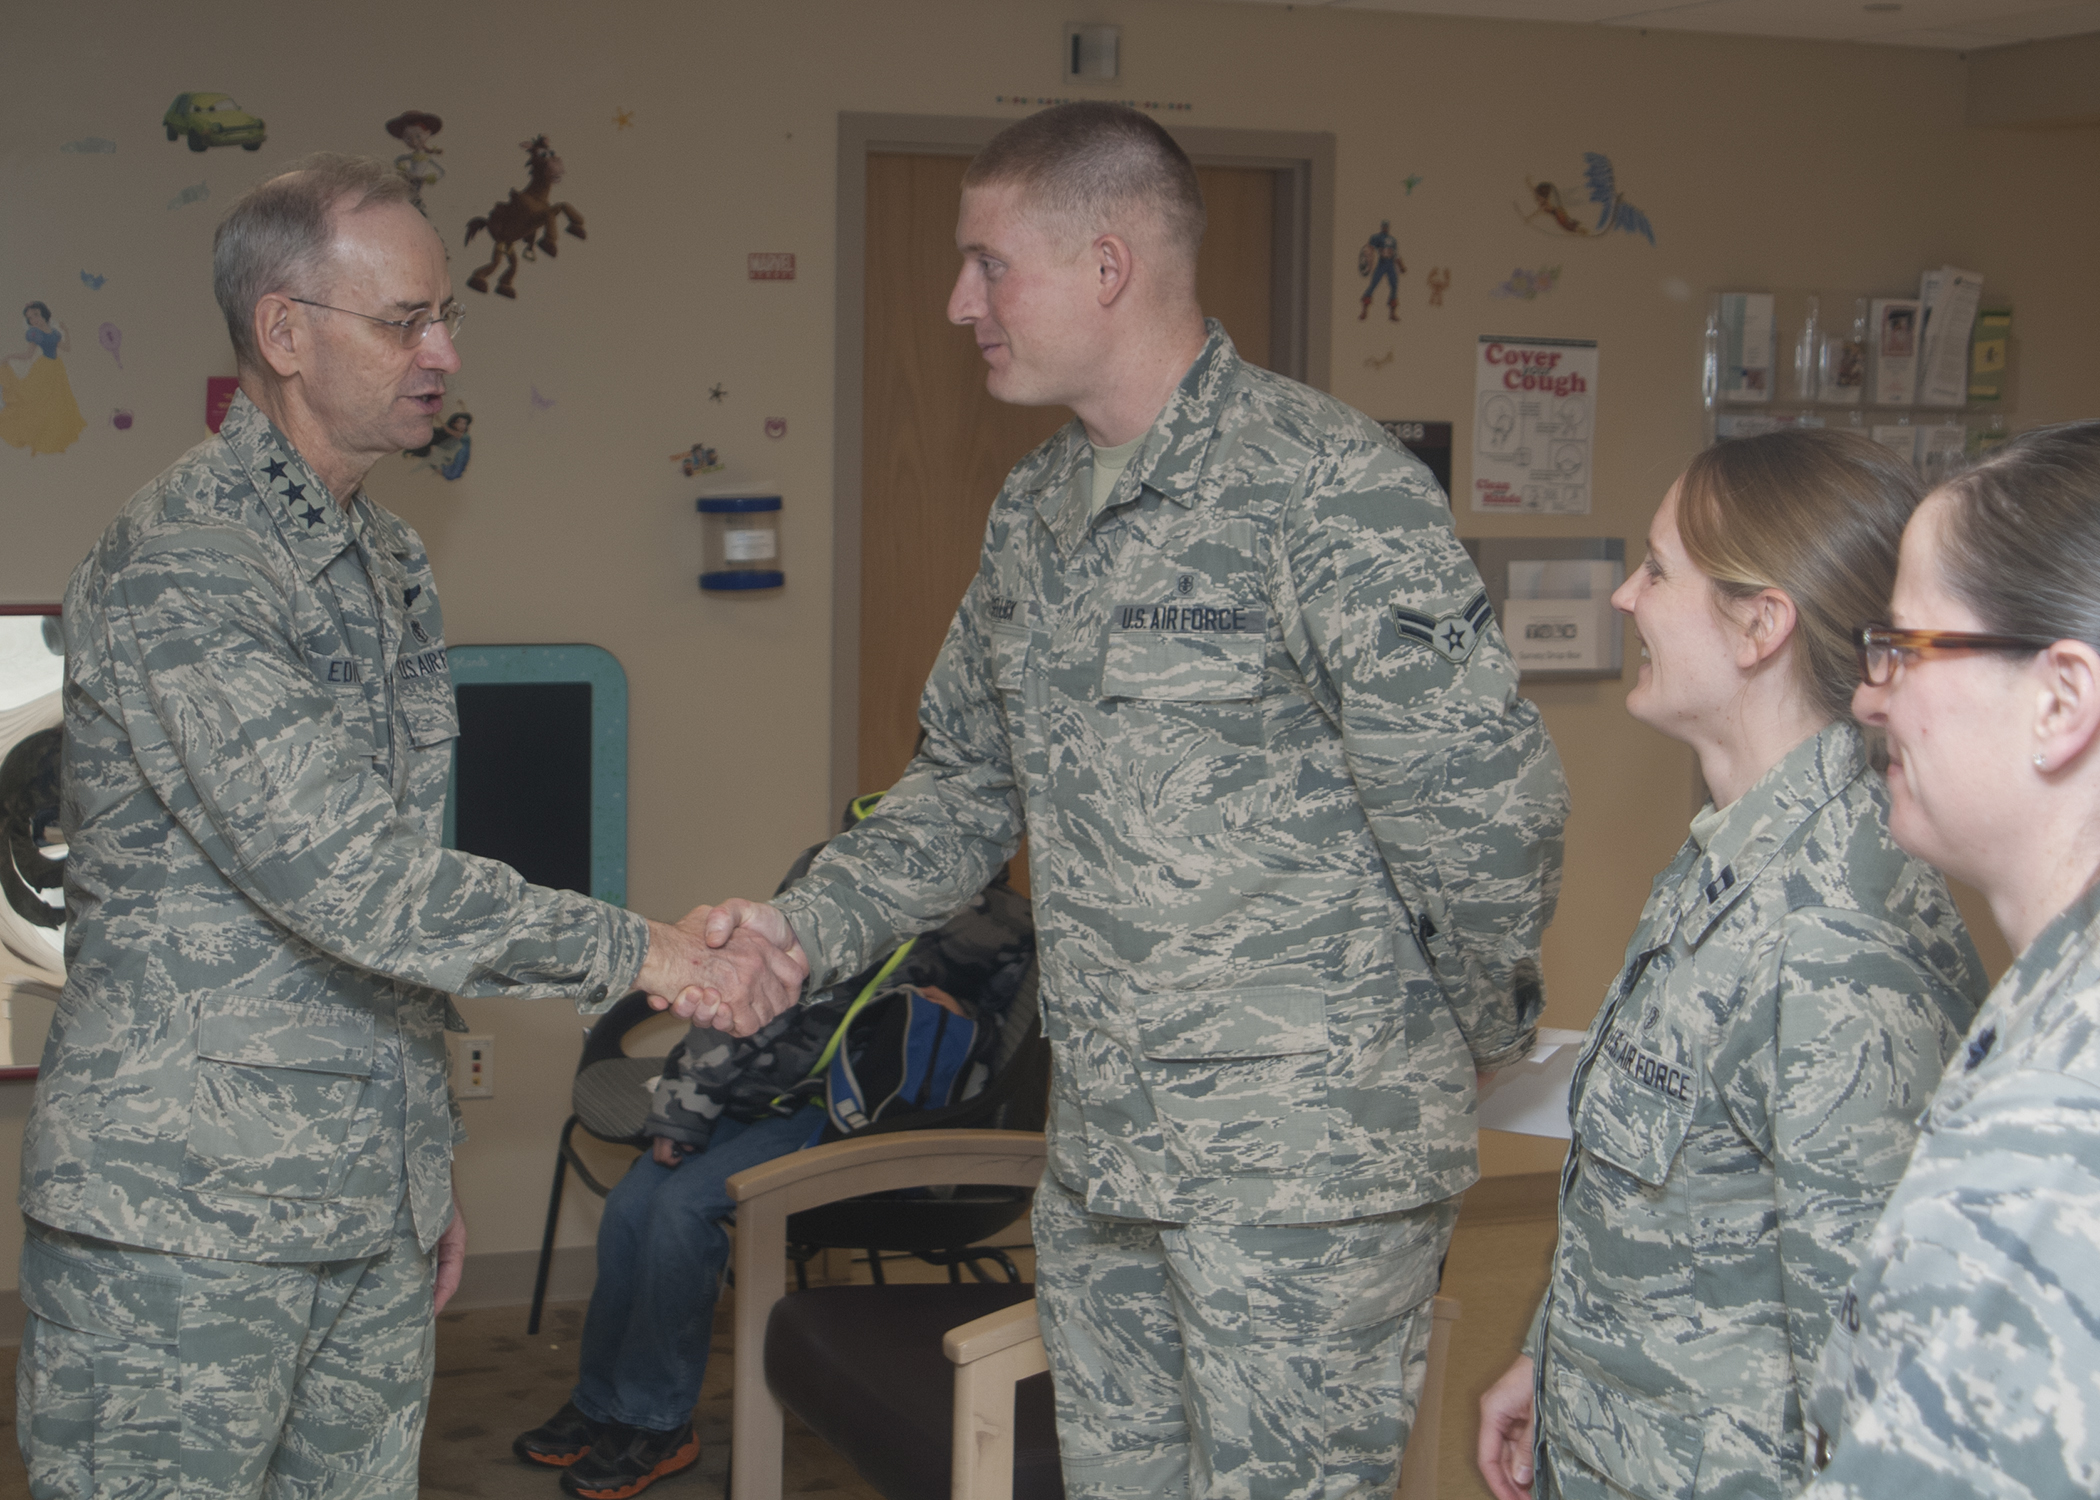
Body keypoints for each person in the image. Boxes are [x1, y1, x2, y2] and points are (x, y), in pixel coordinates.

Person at [702, 102, 1570, 1499]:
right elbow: (962, 791)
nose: (956, 303)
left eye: (989, 265)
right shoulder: (1038, 510)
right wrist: (796, 929)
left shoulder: (1328, 490)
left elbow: (1483, 810)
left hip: (1303, 1170)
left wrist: (1468, 1026)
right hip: (1109, 1154)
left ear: (1107, 266)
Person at [16, 153, 796, 1500]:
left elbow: (402, 903)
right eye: (404, 321)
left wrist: (419, 1169)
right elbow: (351, 882)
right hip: (185, 1225)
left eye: (449, 317)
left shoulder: (387, 560)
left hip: (358, 1213)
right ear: (283, 332)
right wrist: (651, 954)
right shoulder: (188, 564)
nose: (443, 350)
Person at [1475, 429, 1986, 1500]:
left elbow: (1877, 1369)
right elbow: (1670, 1182)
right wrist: (1550, 1353)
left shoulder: (1843, 933)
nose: (1625, 598)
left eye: (1659, 571)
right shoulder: (1736, 849)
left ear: (1762, 624)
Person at [513, 851, 1036, 1499]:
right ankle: (600, 1403)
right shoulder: (835, 878)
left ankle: (658, 1423)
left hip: (855, 1117)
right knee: (632, 1202)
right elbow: (740, 998)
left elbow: (1014, 1046)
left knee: (683, 1208)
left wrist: (961, 1013)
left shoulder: (1009, 924)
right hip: (764, 1092)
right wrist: (681, 1113)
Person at [1800, 420, 2100, 1497]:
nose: (1869, 695)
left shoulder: (2064, 1118)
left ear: (2060, 702)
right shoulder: (2053, 986)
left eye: (1904, 649)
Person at [0, 301, 88, 457]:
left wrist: (66, 331)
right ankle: (35, 432)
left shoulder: (54, 333)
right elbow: (27, 355)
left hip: (56, 370)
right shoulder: (35, 334)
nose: (34, 319)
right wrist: (8, 357)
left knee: (57, 402)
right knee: (35, 400)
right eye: (30, 318)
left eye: (36, 315)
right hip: (43, 369)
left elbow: (66, 348)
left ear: (43, 314)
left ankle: (52, 433)